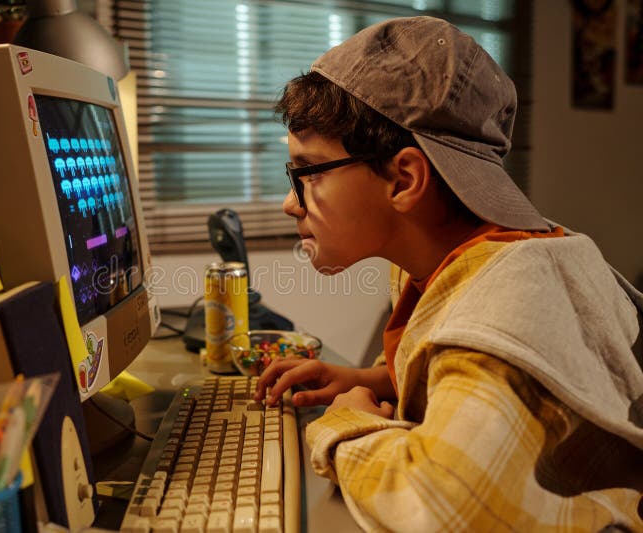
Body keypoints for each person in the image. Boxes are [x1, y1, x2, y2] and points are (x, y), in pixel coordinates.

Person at [253, 16, 643, 531]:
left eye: (307, 173)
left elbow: (442, 508)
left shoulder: (503, 313)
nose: (289, 203)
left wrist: (346, 422)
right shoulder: (452, 261)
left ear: (404, 178)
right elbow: (439, 362)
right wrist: (368, 380)